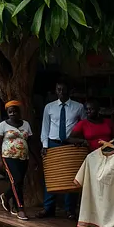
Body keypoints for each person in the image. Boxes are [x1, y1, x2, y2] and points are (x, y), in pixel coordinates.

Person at [38, 78, 84, 219]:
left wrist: (79, 141)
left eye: (64, 90)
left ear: (69, 91)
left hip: (71, 145)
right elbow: (45, 128)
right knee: (52, 177)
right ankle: (48, 208)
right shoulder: (49, 107)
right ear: (55, 90)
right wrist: (45, 145)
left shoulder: (79, 107)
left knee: (71, 178)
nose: (61, 92)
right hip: (53, 144)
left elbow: (83, 126)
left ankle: (70, 210)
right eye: (58, 89)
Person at [0, 100, 33, 221]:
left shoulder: (26, 124)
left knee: (19, 182)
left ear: (19, 112)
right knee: (16, 180)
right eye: (10, 112)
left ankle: (7, 198)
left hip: (23, 157)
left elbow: (30, 142)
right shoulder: (3, 125)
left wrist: (35, 158)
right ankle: (21, 208)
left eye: (15, 111)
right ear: (7, 113)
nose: (12, 114)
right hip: (8, 157)